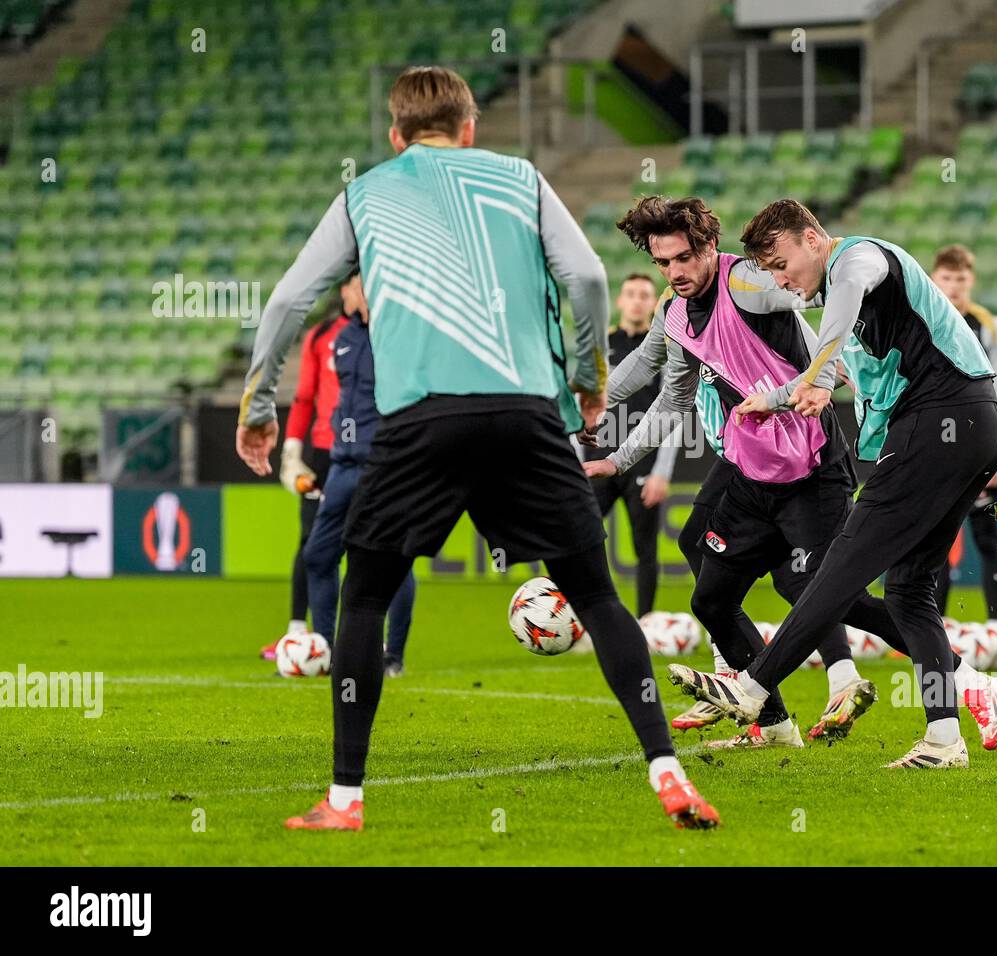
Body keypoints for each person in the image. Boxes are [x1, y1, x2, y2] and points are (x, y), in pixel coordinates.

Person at [235, 66, 717, 830]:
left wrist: (260, 405)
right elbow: (589, 275)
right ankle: (669, 776)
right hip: (527, 413)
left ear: (395, 137)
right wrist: (591, 377)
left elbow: (292, 297)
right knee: (595, 594)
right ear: (469, 128)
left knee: (363, 596)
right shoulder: (520, 178)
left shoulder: (366, 192)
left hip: (421, 419)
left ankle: (345, 800)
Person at [667, 200, 997, 769]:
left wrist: (820, 374)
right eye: (771, 273)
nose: (781, 280)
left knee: (839, 565)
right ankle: (945, 736)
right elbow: (842, 365)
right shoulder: (842, 303)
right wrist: (782, 395)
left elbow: (848, 294)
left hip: (941, 421)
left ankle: (753, 688)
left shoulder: (857, 258)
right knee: (906, 591)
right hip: (970, 427)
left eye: (782, 263)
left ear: (813, 238)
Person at [586, 196, 894, 749]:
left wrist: (831, 371)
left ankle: (940, 672)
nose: (674, 272)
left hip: (812, 460)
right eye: (662, 262)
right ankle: (773, 720)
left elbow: (820, 292)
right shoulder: (675, 312)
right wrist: (606, 437)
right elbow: (663, 385)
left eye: (683, 258)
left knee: (820, 588)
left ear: (708, 247)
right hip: (752, 467)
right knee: (717, 593)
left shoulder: (749, 282)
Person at [301, 273, 416, 678]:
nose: (346, 293)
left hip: (383, 466)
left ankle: (392, 656)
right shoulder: (344, 337)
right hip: (342, 465)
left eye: (352, 285)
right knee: (318, 555)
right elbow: (342, 398)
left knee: (392, 560)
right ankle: (331, 651)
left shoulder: (400, 333)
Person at [583, 273, 678, 618]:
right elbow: (580, 407)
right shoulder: (599, 347)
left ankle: (645, 623)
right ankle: (589, 619)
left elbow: (675, 410)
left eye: (644, 295)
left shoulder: (666, 351)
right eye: (631, 293)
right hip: (597, 460)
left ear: (654, 304)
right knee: (584, 543)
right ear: (620, 301)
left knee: (645, 550)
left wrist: (662, 472)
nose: (637, 300)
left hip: (644, 463)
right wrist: (575, 462)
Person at [929, 245, 997, 620]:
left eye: (960, 279)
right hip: (938, 449)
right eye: (946, 278)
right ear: (934, 279)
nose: (953, 286)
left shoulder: (991, 327)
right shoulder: (925, 321)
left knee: (986, 537)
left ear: (971, 281)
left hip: (981, 446)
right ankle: (934, 624)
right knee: (935, 542)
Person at [257, 302, 346, 660]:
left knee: (368, 545)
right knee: (311, 541)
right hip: (323, 454)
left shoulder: (385, 328)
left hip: (369, 450)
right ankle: (296, 633)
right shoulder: (321, 335)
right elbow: (305, 397)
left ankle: (365, 637)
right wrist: (292, 451)